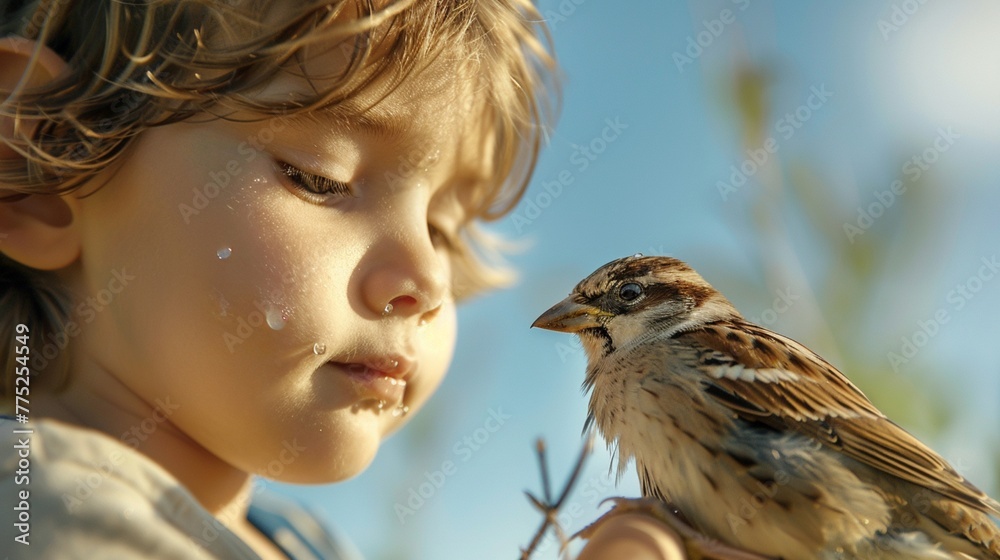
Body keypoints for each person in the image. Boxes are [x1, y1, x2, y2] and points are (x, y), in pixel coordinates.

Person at [0, 0, 686, 558]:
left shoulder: (305, 543)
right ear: (34, 166)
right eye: (319, 176)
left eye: (443, 231)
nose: (426, 279)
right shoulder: (45, 517)